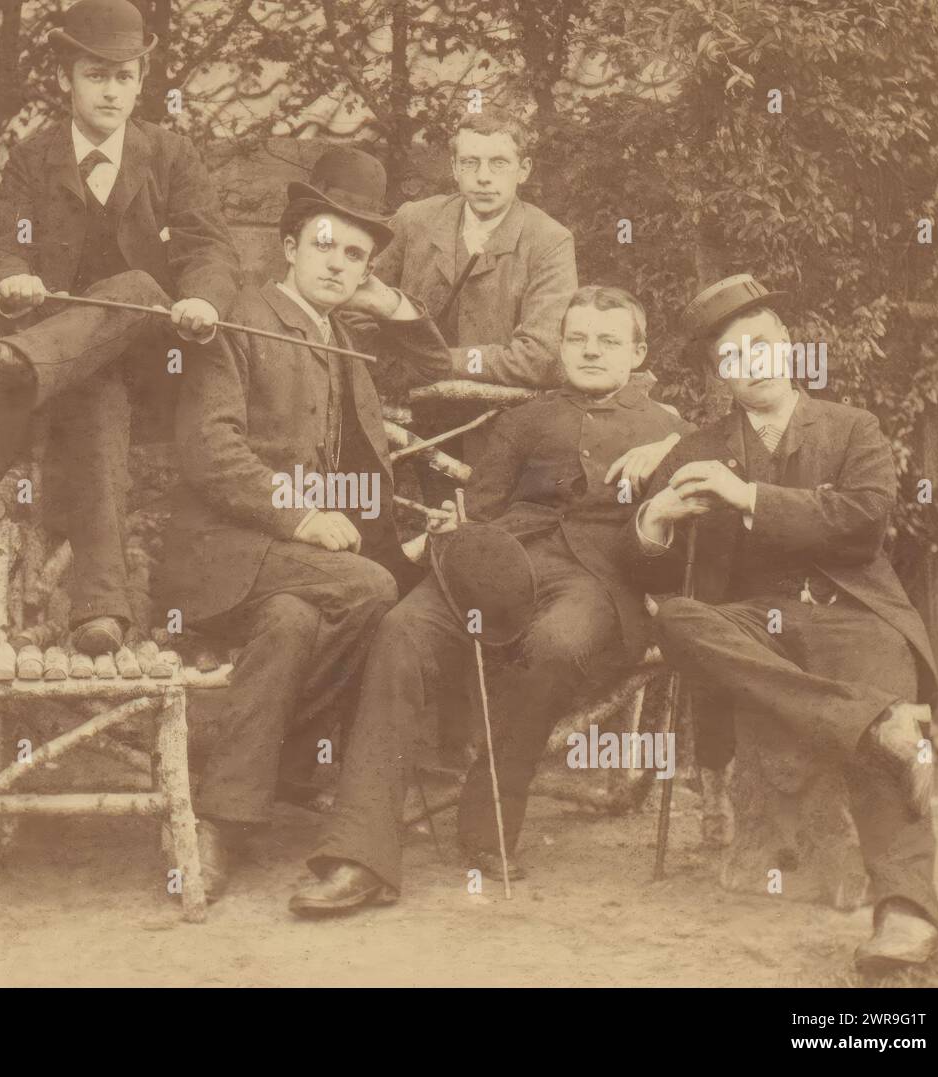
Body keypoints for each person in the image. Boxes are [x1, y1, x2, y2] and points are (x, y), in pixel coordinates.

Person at [290, 286, 691, 915]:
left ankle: (487, 820)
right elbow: (479, 511)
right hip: (500, 559)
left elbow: (716, 481)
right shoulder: (526, 418)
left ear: (639, 352)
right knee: (400, 630)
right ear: (560, 346)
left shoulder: (672, 429)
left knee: (556, 646)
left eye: (608, 341)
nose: (590, 351)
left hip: (601, 578)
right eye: (577, 338)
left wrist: (673, 447)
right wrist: (456, 539)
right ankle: (359, 855)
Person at [628, 273, 938, 973]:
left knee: (873, 666)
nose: (755, 364)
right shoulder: (698, 447)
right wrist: (652, 523)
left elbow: (862, 524)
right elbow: (654, 579)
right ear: (719, 375)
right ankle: (880, 724)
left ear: (792, 348)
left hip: (853, 609)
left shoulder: (851, 427)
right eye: (734, 357)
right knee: (682, 623)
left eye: (765, 345)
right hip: (757, 624)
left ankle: (906, 912)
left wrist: (746, 494)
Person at [161, 148, 452, 902]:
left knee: (292, 622)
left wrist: (401, 535)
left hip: (284, 583)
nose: (338, 264)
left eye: (356, 256)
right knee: (370, 587)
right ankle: (290, 764)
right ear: (289, 245)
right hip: (221, 554)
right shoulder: (238, 320)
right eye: (325, 243)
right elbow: (208, 450)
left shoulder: (343, 343)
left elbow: (430, 359)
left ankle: (222, 819)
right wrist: (299, 516)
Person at [0, 0, 241, 654]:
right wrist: (12, 279)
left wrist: (203, 300)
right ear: (66, 79)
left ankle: (15, 368)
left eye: (125, 76)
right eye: (96, 75)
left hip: (159, 368)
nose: (112, 91)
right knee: (97, 391)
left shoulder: (169, 155)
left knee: (137, 289)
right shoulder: (35, 156)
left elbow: (211, 250)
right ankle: (101, 611)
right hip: (79, 379)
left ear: (141, 80)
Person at [375, 105, 578, 389]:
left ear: (523, 170)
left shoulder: (549, 241)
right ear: (455, 168)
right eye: (470, 162)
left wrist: (442, 362)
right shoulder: (414, 221)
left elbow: (541, 358)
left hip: (501, 413)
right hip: (405, 400)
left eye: (499, 163)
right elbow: (356, 309)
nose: (484, 177)